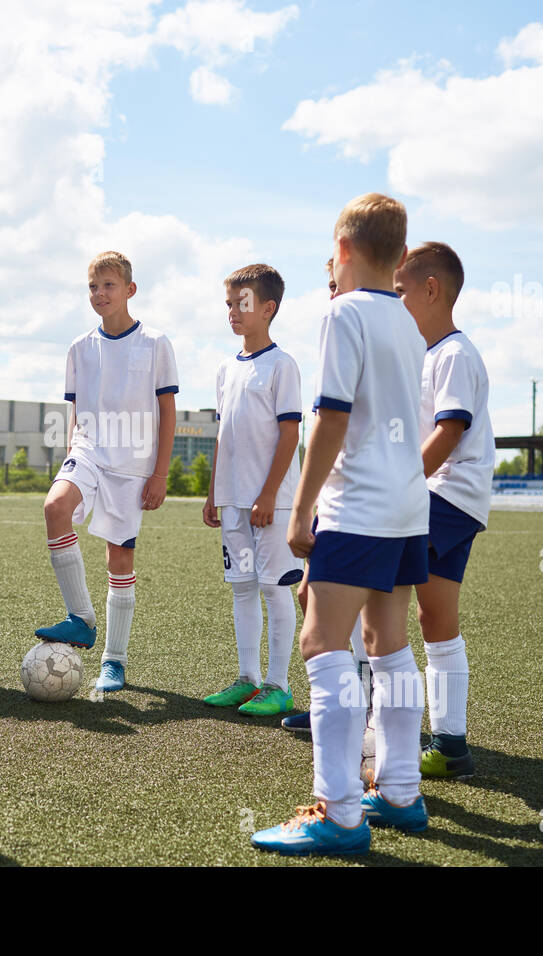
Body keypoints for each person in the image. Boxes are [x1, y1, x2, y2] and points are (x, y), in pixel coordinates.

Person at [251, 193, 429, 856]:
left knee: (322, 643)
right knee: (390, 645)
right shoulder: (409, 322)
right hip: (410, 507)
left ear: (344, 252)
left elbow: (331, 415)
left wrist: (303, 507)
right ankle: (402, 793)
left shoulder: (342, 312)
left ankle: (340, 811)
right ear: (403, 258)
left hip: (359, 508)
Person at [35, 251, 178, 693]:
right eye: (93, 287)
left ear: (130, 290)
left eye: (109, 285)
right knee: (55, 506)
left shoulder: (155, 343)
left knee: (120, 559)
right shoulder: (79, 347)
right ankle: (81, 618)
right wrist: (70, 457)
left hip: (133, 464)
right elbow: (75, 408)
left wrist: (160, 474)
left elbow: (167, 412)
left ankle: (114, 661)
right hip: (89, 449)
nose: (100, 293)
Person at [393, 242, 494, 779]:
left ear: (431, 290)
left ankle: (385, 731)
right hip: (453, 500)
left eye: (400, 290)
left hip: (444, 496)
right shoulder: (428, 355)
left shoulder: (453, 353)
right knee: (436, 618)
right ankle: (451, 744)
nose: (394, 299)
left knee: (380, 602)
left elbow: (449, 431)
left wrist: (400, 485)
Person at [201, 264, 303, 717]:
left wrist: (268, 493)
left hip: (272, 502)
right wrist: (213, 491)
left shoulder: (282, 366)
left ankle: (279, 685)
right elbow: (224, 436)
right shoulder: (226, 369)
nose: (232, 312)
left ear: (268, 308)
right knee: (242, 587)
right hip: (234, 500)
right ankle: (247, 678)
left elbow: (290, 436)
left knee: (274, 588)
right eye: (228, 303)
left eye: (241, 303)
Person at [281, 258, 371, 741]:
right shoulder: (380, 325)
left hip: (360, 498)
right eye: (329, 287)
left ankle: (353, 727)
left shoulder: (349, 322)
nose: (331, 296)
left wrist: (301, 508)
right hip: (350, 496)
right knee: (312, 596)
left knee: (339, 623)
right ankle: (358, 720)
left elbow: (332, 420)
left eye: (336, 284)